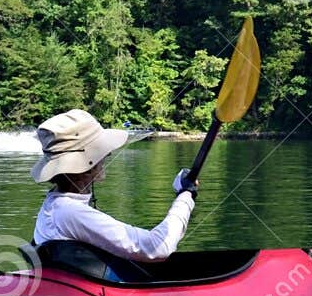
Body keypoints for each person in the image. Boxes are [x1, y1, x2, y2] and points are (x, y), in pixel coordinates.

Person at [32, 109, 198, 263]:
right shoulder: (69, 212)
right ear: (87, 166)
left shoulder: (54, 205)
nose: (108, 154)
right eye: (102, 152)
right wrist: (185, 195)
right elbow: (157, 247)